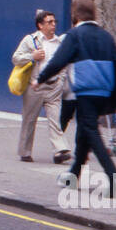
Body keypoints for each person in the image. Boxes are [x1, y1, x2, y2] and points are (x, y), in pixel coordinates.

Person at [36, 0, 116, 193]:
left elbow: (58, 60)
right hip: (104, 91)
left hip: (86, 90)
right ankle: (73, 176)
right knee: (83, 133)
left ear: (76, 14)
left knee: (91, 132)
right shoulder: (106, 36)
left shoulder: (75, 35)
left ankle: (113, 176)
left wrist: (40, 78)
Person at [12, 10, 72, 165]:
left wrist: (60, 80)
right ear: (40, 25)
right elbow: (16, 58)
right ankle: (25, 152)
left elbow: (63, 63)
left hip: (54, 87)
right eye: (49, 22)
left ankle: (60, 151)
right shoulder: (30, 40)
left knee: (55, 120)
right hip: (35, 87)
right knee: (29, 120)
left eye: (54, 22)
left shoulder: (59, 42)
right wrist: (32, 56)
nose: (53, 25)